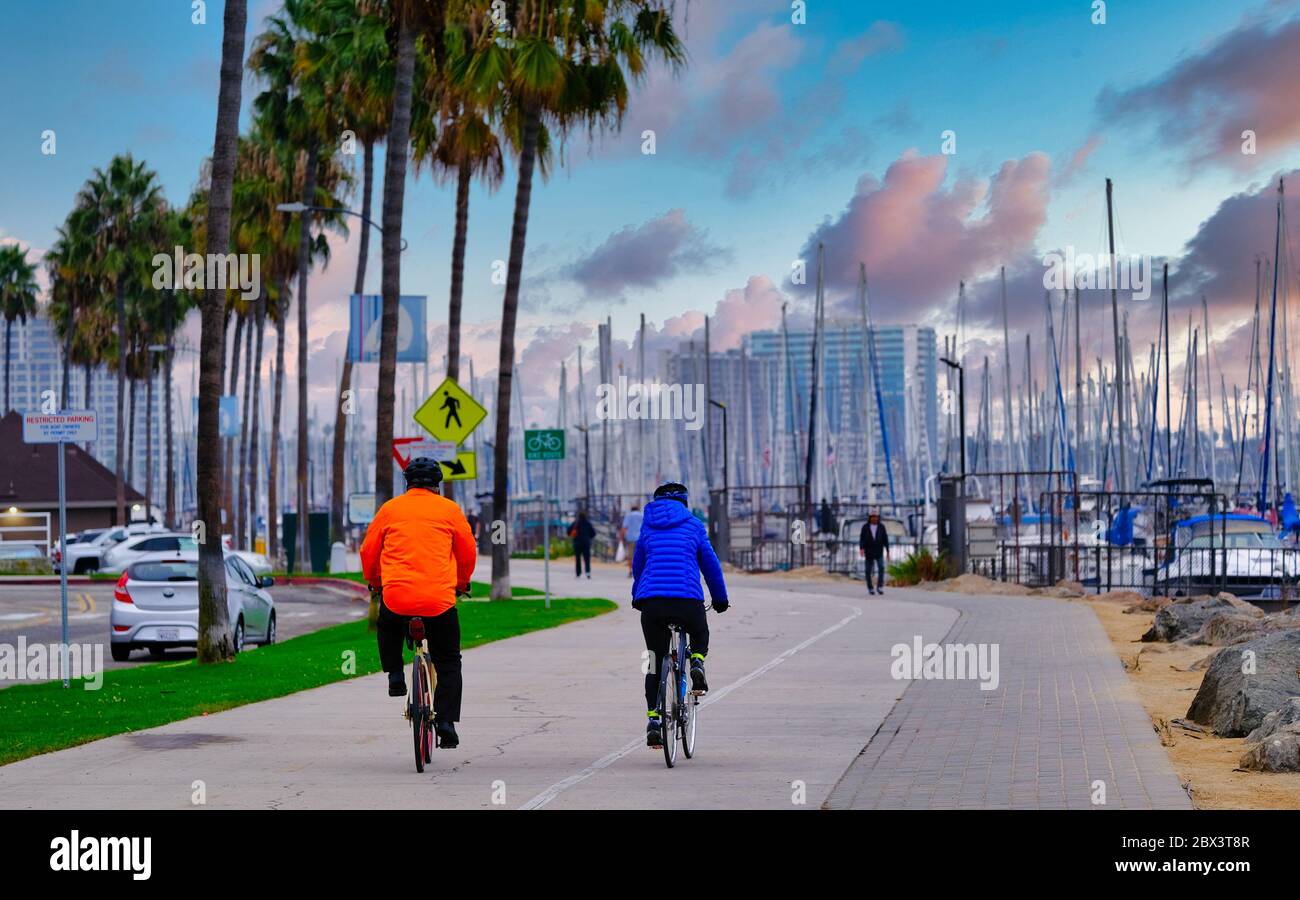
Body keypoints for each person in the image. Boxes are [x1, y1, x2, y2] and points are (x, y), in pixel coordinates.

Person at [361, 458, 476, 749]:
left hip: (398, 597)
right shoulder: (450, 510)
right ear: (437, 484)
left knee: (388, 623)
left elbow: (368, 551)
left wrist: (376, 582)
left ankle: (396, 674)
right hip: (439, 601)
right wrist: (461, 583)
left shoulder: (390, 509)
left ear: (407, 483)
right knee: (449, 660)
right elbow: (467, 552)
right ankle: (446, 722)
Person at [632, 482, 729, 748]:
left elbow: (638, 565)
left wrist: (637, 596)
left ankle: (654, 719)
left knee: (653, 660)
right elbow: (710, 565)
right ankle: (697, 662)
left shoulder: (647, 526)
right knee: (699, 631)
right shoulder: (695, 526)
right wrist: (720, 598)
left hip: (652, 603)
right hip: (687, 601)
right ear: (685, 502)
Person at [859, 511, 889, 595]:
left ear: (878, 517)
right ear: (870, 518)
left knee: (881, 567)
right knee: (868, 571)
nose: (874, 518)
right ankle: (870, 587)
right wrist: (861, 548)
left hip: (879, 551)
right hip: (868, 552)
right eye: (872, 517)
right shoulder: (865, 527)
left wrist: (888, 551)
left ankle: (880, 586)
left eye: (876, 517)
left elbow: (885, 539)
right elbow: (861, 538)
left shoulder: (881, 527)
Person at [569, 510, 595, 578]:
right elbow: (593, 533)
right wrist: (588, 537)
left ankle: (578, 573)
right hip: (586, 543)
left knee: (578, 559)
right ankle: (588, 573)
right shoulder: (588, 523)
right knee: (587, 559)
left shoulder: (575, 523)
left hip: (577, 543)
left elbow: (568, 531)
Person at [619, 503, 643, 578]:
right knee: (640, 555)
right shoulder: (642, 515)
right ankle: (640, 570)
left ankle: (630, 571)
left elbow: (624, 528)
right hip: (640, 538)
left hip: (630, 538)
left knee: (630, 556)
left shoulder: (628, 516)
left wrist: (621, 538)